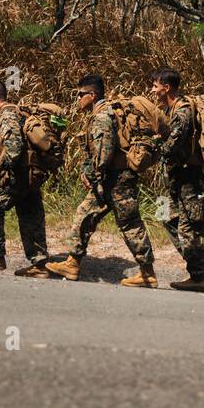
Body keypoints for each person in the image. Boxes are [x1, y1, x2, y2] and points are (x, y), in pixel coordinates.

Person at [46, 74, 156, 288]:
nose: (78, 99)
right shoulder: (107, 112)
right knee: (89, 215)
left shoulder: (102, 116)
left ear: (92, 94)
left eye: (80, 94)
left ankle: (147, 272)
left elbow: (103, 151)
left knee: (127, 223)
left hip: (114, 179)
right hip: (116, 177)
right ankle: (73, 262)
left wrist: (94, 175)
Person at [0, 79, 50, 277]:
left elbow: (14, 150)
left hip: (17, 177)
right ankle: (39, 264)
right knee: (31, 215)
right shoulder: (18, 113)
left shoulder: (6, 116)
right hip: (31, 174)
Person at [152, 68, 204, 292]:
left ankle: (198, 276)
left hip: (191, 177)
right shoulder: (170, 109)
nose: (152, 90)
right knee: (164, 216)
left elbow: (176, 140)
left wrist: (156, 150)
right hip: (175, 176)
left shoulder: (183, 109)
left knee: (190, 227)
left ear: (166, 88)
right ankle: (199, 266)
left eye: (155, 86)